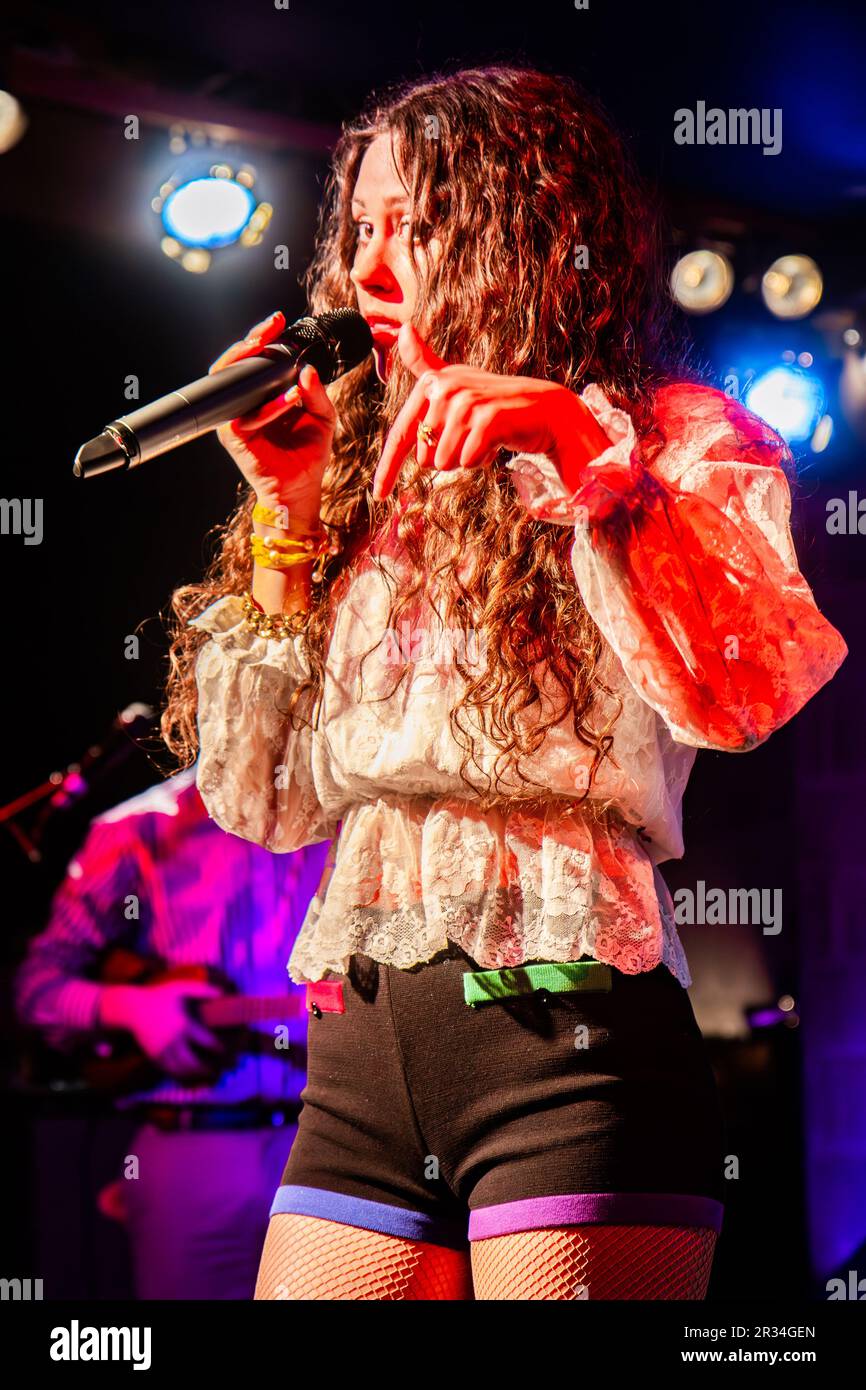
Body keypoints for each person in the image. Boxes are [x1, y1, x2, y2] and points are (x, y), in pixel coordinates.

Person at [161, 66, 848, 1301]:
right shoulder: (363, 480)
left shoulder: (668, 437)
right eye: (358, 230)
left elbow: (745, 687)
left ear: (519, 237)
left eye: (414, 230)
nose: (367, 272)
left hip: (568, 1046)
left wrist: (590, 464)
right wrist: (287, 516)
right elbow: (262, 804)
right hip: (360, 1052)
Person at [15, 764, 331, 1299]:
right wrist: (132, 1008)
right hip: (192, 1150)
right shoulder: (140, 826)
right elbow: (38, 988)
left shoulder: (355, 814)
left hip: (329, 1146)